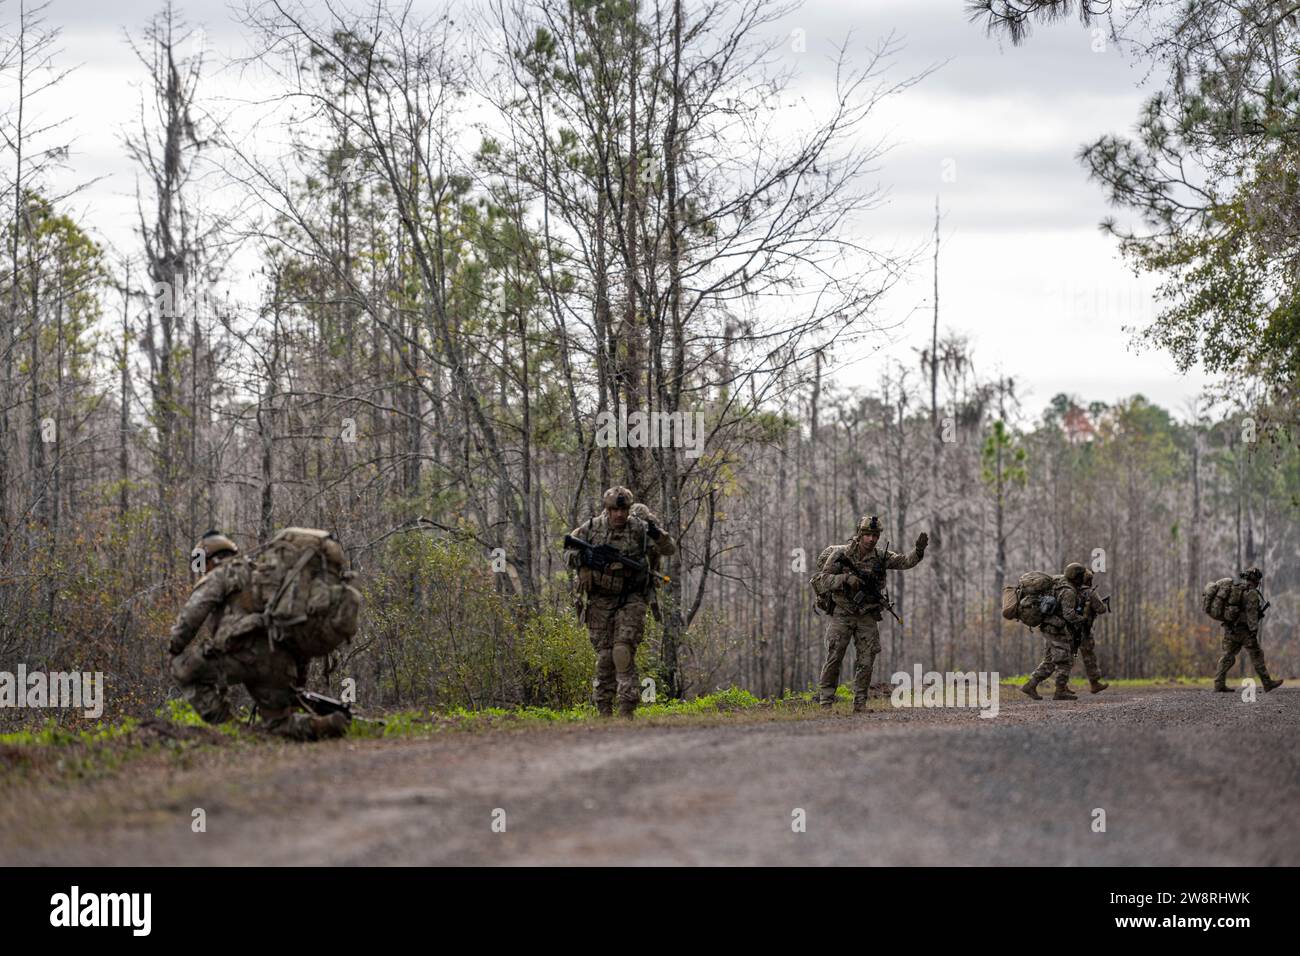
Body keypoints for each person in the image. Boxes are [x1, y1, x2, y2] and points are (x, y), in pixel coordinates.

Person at [168, 529, 351, 741]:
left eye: (200, 562)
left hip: (242, 654)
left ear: (209, 559)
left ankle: (232, 730)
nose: (201, 568)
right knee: (278, 725)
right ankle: (326, 725)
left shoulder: (222, 573)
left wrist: (175, 646)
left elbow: (193, 614)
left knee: (181, 667)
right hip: (278, 659)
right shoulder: (262, 573)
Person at [565, 487, 677, 718]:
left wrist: (657, 533)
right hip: (600, 600)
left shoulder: (640, 529)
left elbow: (669, 549)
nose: (618, 514)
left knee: (622, 650)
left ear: (628, 509)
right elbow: (568, 552)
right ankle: (604, 712)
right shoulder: (591, 528)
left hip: (631, 597)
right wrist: (584, 564)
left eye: (623, 509)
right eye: (614, 509)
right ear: (606, 509)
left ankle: (627, 710)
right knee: (605, 656)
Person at [811, 515, 927, 713]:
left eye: (875, 535)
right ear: (860, 534)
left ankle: (860, 703)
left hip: (867, 614)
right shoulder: (841, 554)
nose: (871, 539)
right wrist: (845, 579)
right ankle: (826, 703)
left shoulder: (881, 557)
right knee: (834, 656)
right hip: (843, 613)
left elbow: (904, 562)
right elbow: (821, 581)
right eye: (867, 535)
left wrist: (918, 551)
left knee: (866, 660)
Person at [1022, 562, 1087, 701]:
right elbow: (1069, 614)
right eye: (1081, 576)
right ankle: (1060, 691)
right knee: (1064, 660)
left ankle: (1030, 685)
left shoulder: (1058, 580)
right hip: (1056, 629)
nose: (1083, 579)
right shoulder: (1068, 591)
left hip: (1048, 626)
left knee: (1050, 661)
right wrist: (1082, 619)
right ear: (1076, 577)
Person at [1213, 567, 1283, 693]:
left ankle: (1219, 684)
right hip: (1245, 632)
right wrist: (1253, 630)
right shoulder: (1252, 593)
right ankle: (1267, 683)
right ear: (1255, 580)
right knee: (1257, 655)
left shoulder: (1236, 589)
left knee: (1227, 656)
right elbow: (1251, 614)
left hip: (1231, 630)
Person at [1077, 568, 1110, 694]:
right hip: (1084, 631)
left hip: (1069, 629)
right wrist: (1102, 603)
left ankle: (1058, 686)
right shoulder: (1090, 593)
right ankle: (1094, 683)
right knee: (1089, 656)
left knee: (1060, 658)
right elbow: (1101, 609)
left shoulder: (1071, 591)